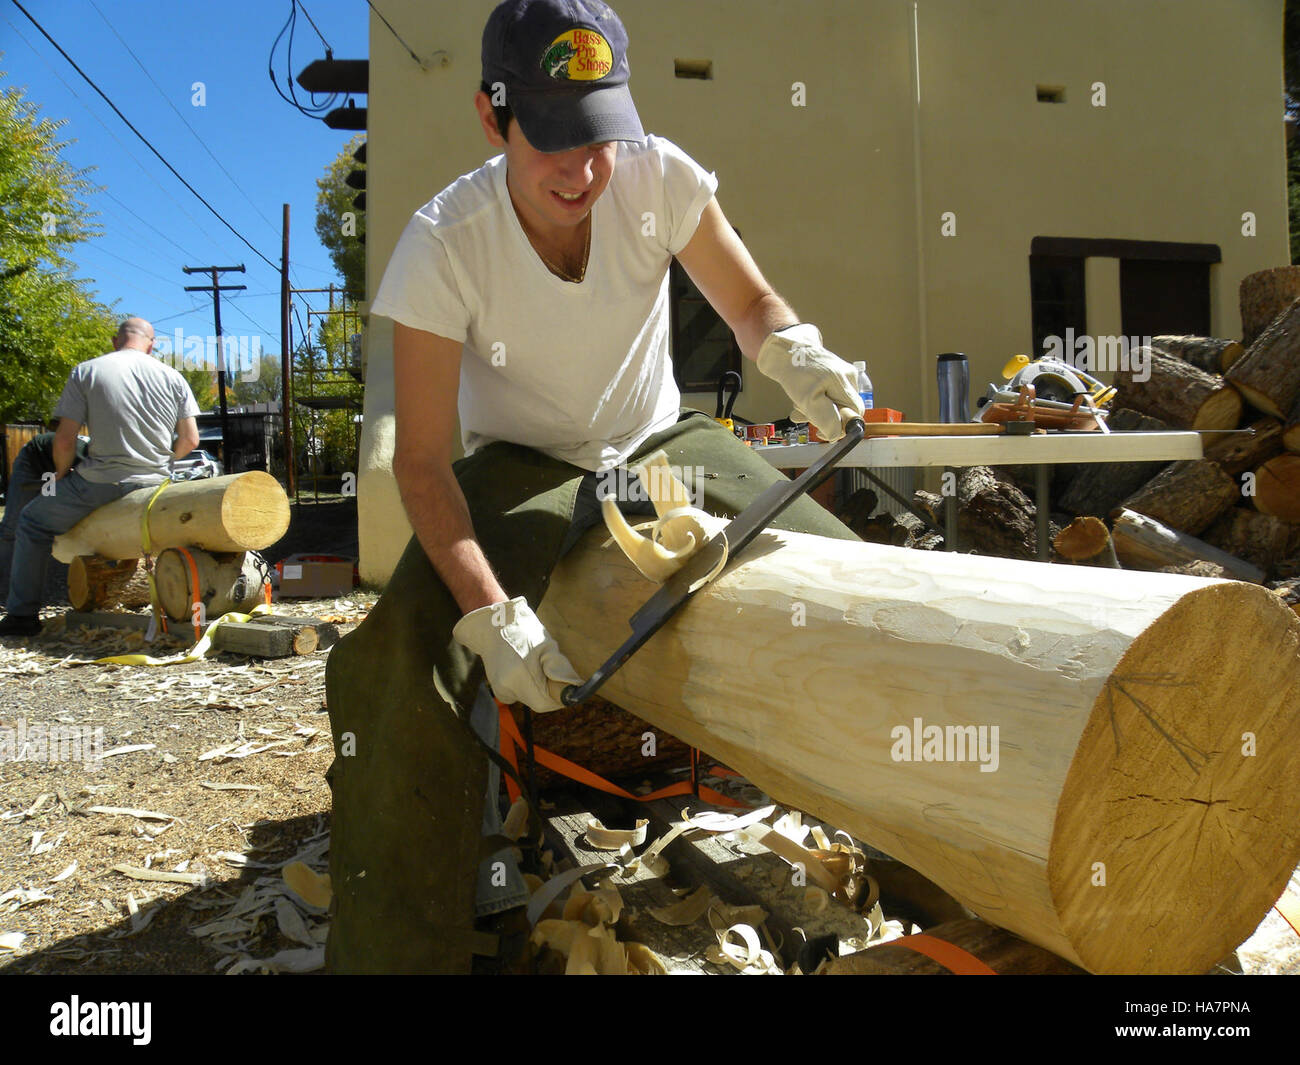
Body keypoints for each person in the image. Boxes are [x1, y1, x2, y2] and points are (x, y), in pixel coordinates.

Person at [323, 0, 865, 973]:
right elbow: (420, 460)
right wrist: (489, 615)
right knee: (393, 663)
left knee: (856, 581)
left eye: (600, 139)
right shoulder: (443, 240)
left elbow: (745, 302)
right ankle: (401, 951)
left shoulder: (657, 174)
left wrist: (789, 344)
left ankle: (936, 872)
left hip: (663, 439)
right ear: (493, 119)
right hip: (520, 465)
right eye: (555, 142)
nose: (582, 172)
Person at [0, 318, 200, 638]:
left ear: (114, 341)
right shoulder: (173, 376)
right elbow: (190, 440)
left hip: (98, 482)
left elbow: (64, 441)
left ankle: (21, 616)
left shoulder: (88, 371)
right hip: (155, 484)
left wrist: (61, 476)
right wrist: (161, 464)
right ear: (152, 344)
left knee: (31, 520)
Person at [0, 428, 91, 602]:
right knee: (13, 526)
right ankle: (4, 581)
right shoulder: (92, 458)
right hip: (34, 460)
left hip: (61, 466)